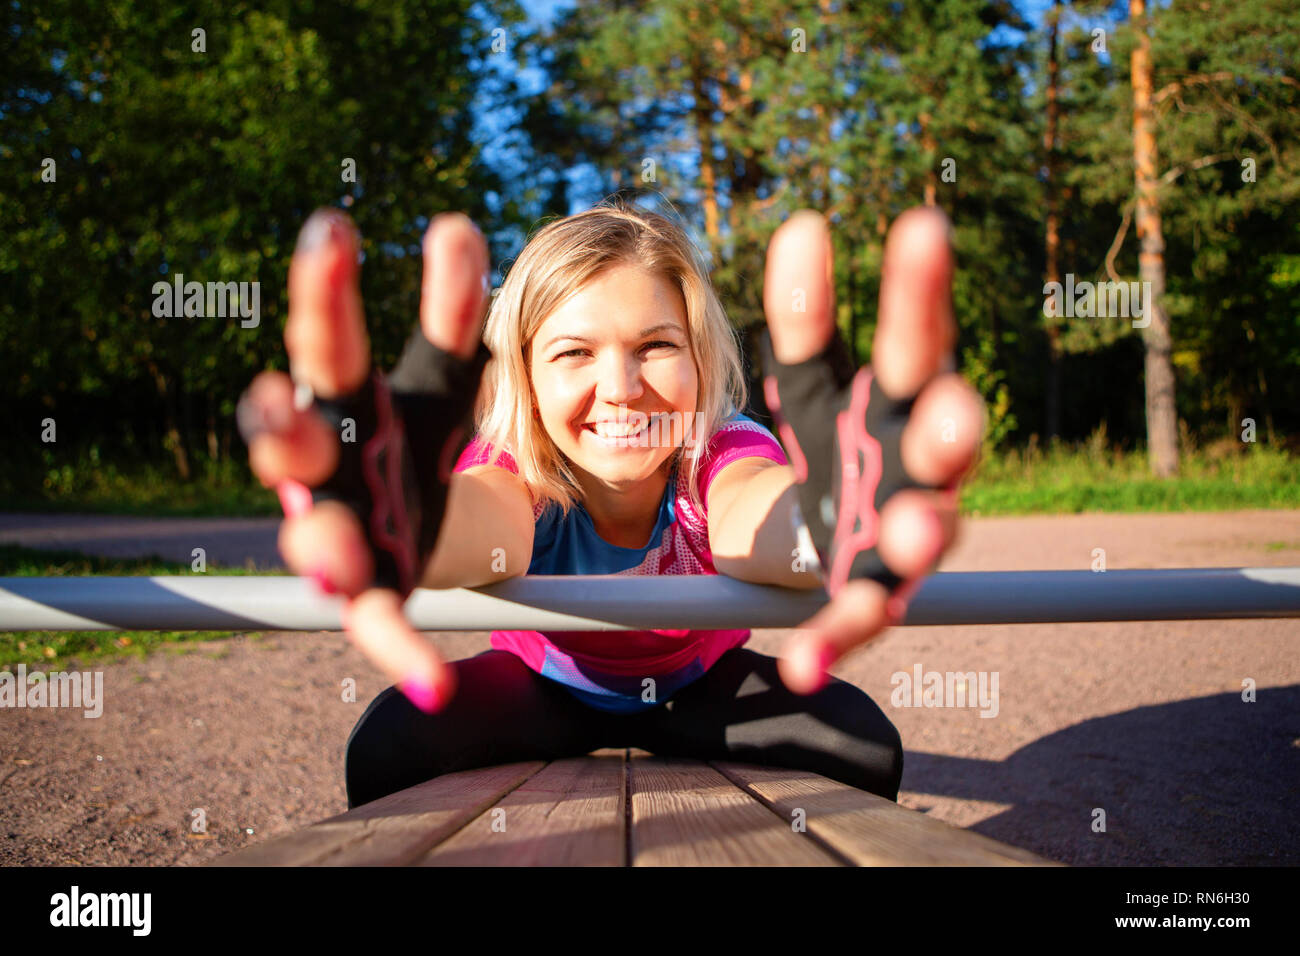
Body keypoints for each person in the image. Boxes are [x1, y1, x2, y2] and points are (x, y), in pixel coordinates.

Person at [238, 199, 985, 810]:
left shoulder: (719, 450)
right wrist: (411, 530)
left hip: (698, 687)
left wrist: (825, 526)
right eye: (573, 352)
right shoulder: (513, 467)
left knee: (860, 739)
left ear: (700, 356)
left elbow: (753, 519)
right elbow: (477, 523)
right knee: (389, 745)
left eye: (656, 345)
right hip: (546, 687)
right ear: (524, 377)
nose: (623, 386)